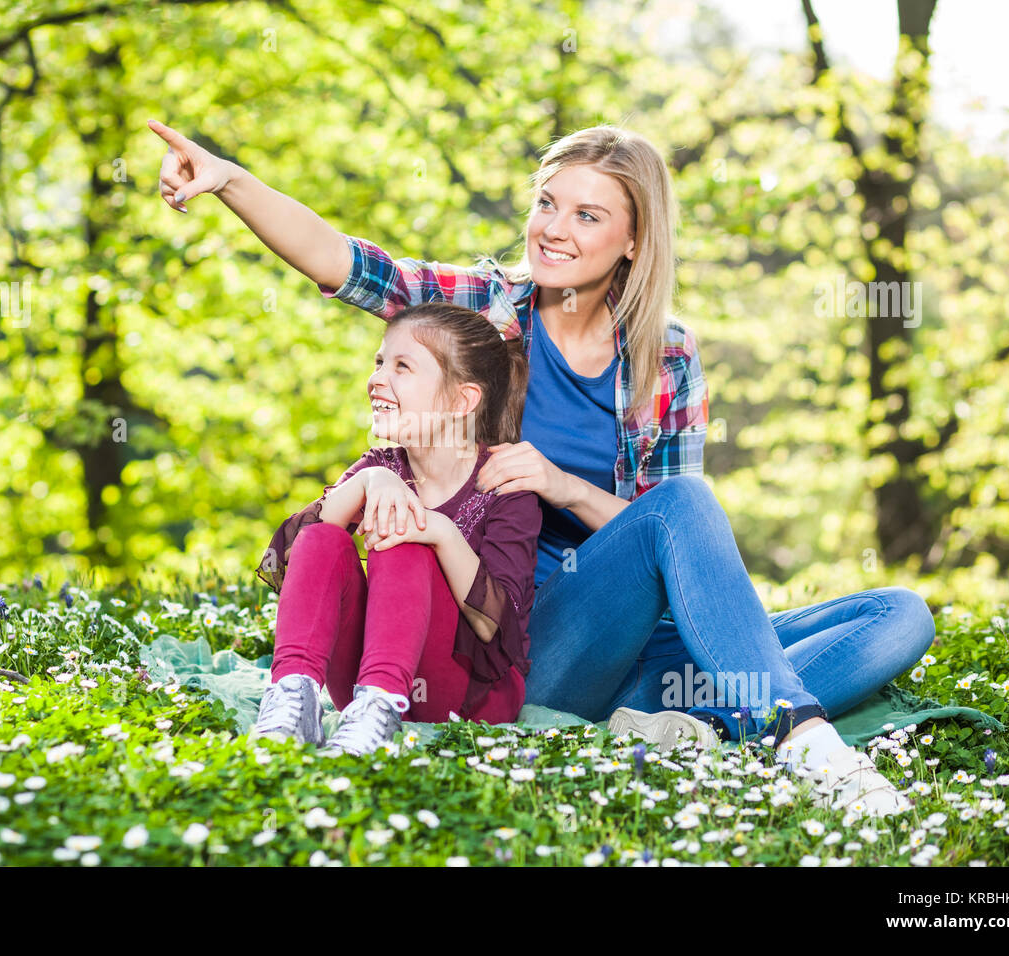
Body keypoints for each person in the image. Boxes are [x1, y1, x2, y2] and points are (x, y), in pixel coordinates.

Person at [149, 120, 935, 815]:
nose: (553, 229)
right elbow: (355, 266)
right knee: (691, 512)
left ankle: (684, 721)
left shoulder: (669, 356)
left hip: (635, 632)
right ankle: (799, 738)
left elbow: (670, 534)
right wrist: (233, 182)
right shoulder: (489, 308)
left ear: (634, 240)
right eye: (546, 204)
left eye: (586, 214)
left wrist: (562, 485)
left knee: (898, 616)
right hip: (525, 633)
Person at [250, 302, 541, 756]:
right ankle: (293, 697)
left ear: (462, 401)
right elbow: (292, 555)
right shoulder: (382, 466)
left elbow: (494, 629)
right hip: (361, 684)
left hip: (469, 693)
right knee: (327, 533)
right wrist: (368, 482)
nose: (377, 379)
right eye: (379, 362)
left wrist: (439, 531)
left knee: (400, 531)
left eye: (402, 366)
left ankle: (382, 704)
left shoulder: (504, 485)